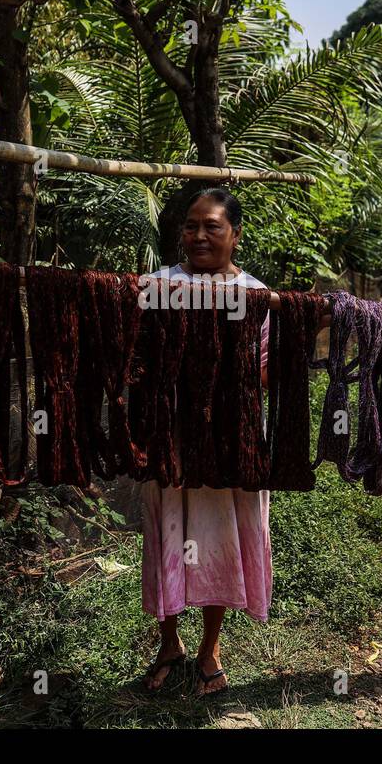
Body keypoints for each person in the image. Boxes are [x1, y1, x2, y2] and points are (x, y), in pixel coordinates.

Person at [139, 187, 271, 697]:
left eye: (212, 226)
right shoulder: (154, 288)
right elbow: (134, 354)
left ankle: (209, 649)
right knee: (169, 534)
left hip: (228, 444)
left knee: (220, 538)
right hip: (168, 438)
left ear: (235, 235)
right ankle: (169, 642)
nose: (198, 235)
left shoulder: (257, 296)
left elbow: (263, 373)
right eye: (191, 225)